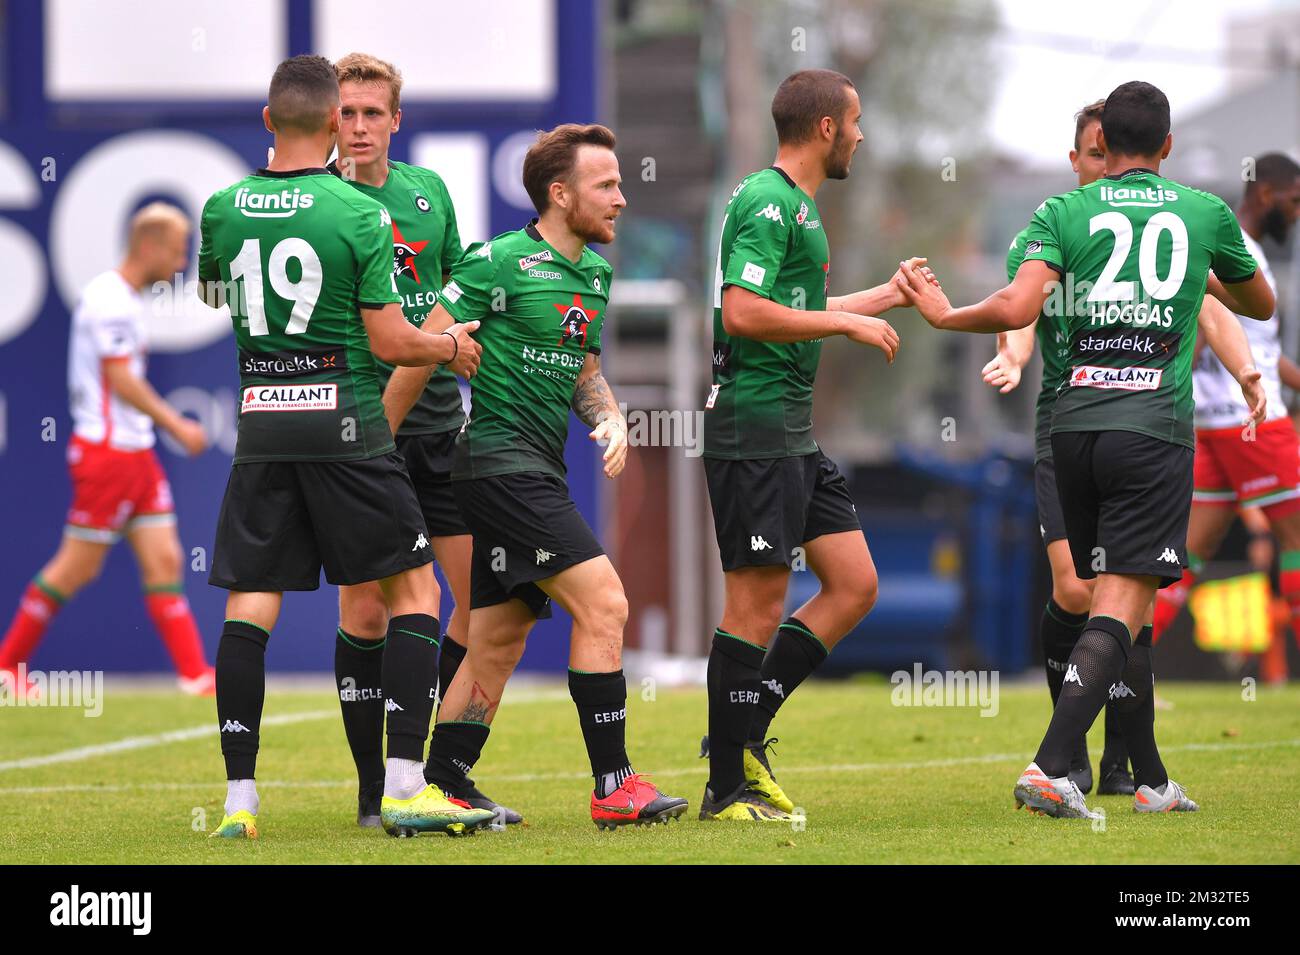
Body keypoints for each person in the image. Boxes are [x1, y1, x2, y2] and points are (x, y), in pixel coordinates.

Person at [898, 80, 1273, 818]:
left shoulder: (1061, 214)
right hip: (1149, 428)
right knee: (1115, 598)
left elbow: (1015, 304)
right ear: (1165, 145)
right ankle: (1051, 762)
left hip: (1072, 428)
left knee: (1116, 605)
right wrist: (1249, 315)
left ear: (1106, 153)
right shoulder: (1201, 212)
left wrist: (945, 317)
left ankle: (1149, 778)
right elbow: (1253, 301)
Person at [197, 54, 488, 839]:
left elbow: (212, 291)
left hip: (262, 424)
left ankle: (239, 802)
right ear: (333, 123)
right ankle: (400, 786)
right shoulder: (357, 212)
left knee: (250, 601)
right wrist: (448, 346)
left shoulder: (223, 206)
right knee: (415, 595)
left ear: (267, 121)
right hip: (348, 423)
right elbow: (390, 338)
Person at [409, 123, 689, 829]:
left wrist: (612, 417)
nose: (622, 199)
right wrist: (382, 438)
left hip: (537, 467)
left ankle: (441, 785)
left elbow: (586, 371)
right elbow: (421, 345)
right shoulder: (500, 260)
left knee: (496, 635)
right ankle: (614, 784)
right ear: (559, 195)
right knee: (606, 603)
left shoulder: (595, 274)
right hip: (498, 465)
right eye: (607, 185)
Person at [699, 69, 934, 822]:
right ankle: (726, 783)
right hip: (753, 425)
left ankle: (745, 733)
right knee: (756, 603)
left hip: (791, 430)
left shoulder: (794, 205)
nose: (862, 134)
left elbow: (791, 305)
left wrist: (883, 298)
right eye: (856, 120)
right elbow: (742, 312)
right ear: (826, 128)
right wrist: (847, 325)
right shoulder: (770, 200)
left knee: (854, 581)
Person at [327, 51, 519, 828]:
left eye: (374, 112)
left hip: (440, 427)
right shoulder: (318, 201)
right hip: (360, 428)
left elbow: (450, 299)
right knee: (368, 612)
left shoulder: (428, 193)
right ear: (327, 120)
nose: (361, 125)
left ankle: (436, 772)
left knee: (480, 615)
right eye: (347, 112)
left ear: (396, 120)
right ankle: (377, 792)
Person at [0, 202, 214, 698]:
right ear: (149, 245)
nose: (182, 263)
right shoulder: (109, 300)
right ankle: (8, 664)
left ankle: (194, 675)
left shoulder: (126, 298)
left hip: (134, 454)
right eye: (178, 250)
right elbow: (120, 379)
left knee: (165, 561)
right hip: (109, 455)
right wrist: (176, 425)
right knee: (78, 566)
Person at [1153, 153, 1300, 644]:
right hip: (1255, 420)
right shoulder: (1243, 255)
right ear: (1266, 194)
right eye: (1294, 200)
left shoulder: (1231, 248)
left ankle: (1120, 677)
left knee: (1184, 559)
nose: (1297, 213)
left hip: (1212, 426)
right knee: (1296, 545)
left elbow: (1256, 350)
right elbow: (1207, 329)